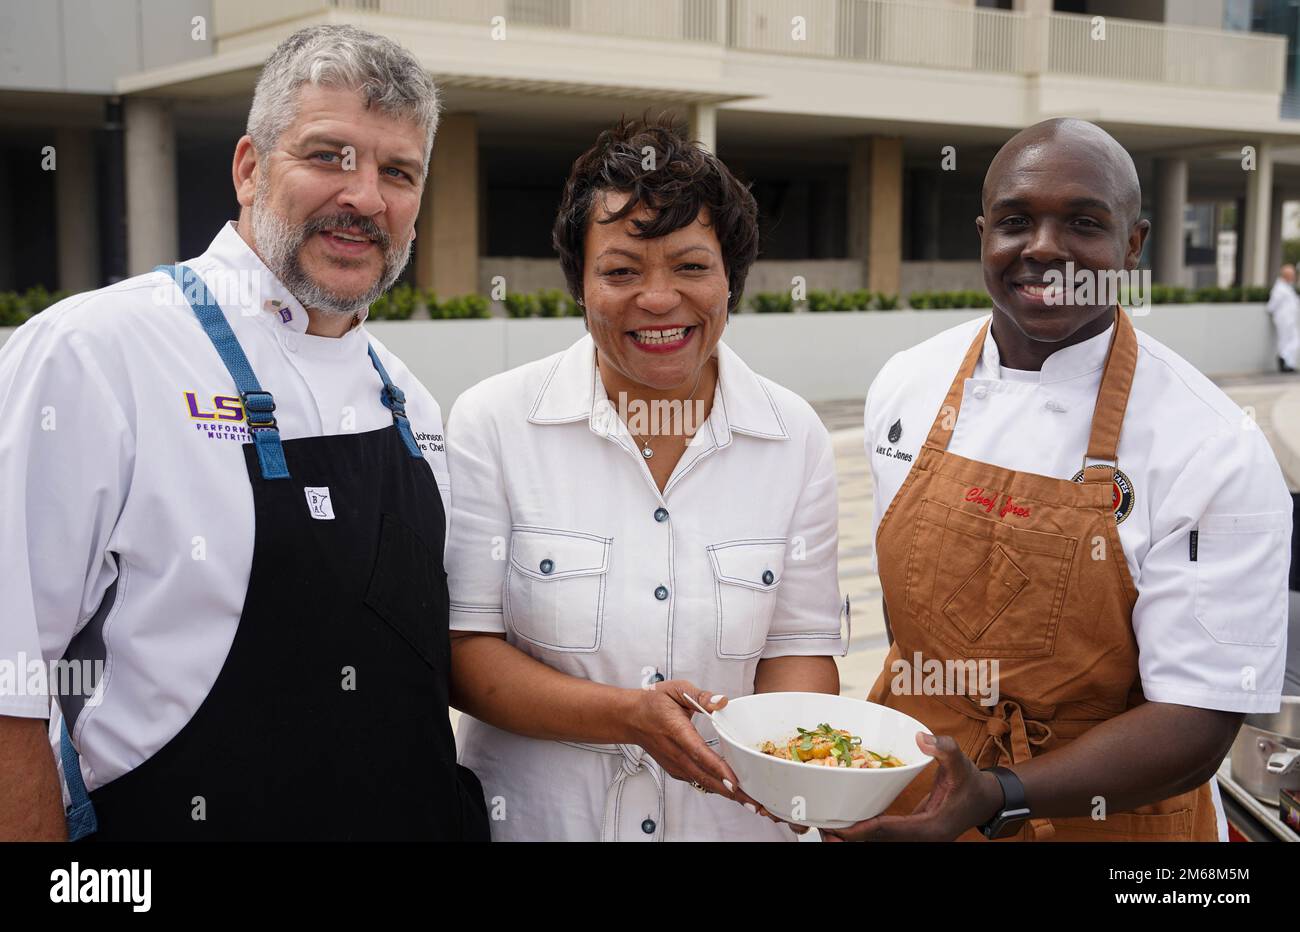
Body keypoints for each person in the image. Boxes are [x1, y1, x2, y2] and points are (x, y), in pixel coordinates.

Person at [0, 24, 488, 841]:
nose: (364, 197)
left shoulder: (408, 400)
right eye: (329, 155)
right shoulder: (96, 352)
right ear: (250, 168)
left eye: (397, 172)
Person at [838, 118, 1291, 842]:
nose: (1043, 248)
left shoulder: (1213, 445)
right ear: (984, 233)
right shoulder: (907, 384)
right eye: (1016, 221)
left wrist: (995, 793)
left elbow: (1199, 719)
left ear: (1133, 245)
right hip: (917, 792)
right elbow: (911, 625)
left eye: (1083, 222)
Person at [444, 118, 845, 841]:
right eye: (622, 270)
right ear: (580, 283)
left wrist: (801, 773)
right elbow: (464, 653)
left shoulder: (795, 435)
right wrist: (627, 716)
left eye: (691, 267)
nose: (658, 300)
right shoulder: (494, 423)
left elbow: (798, 649)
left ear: (731, 280)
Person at [1266, 264, 1299, 373]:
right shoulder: (1279, 289)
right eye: (1292, 275)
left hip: (1290, 319)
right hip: (1283, 319)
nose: (1294, 277)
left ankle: (1287, 362)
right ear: (1287, 276)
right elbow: (1272, 305)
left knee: (1293, 340)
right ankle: (1284, 361)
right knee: (1285, 341)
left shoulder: (1287, 287)